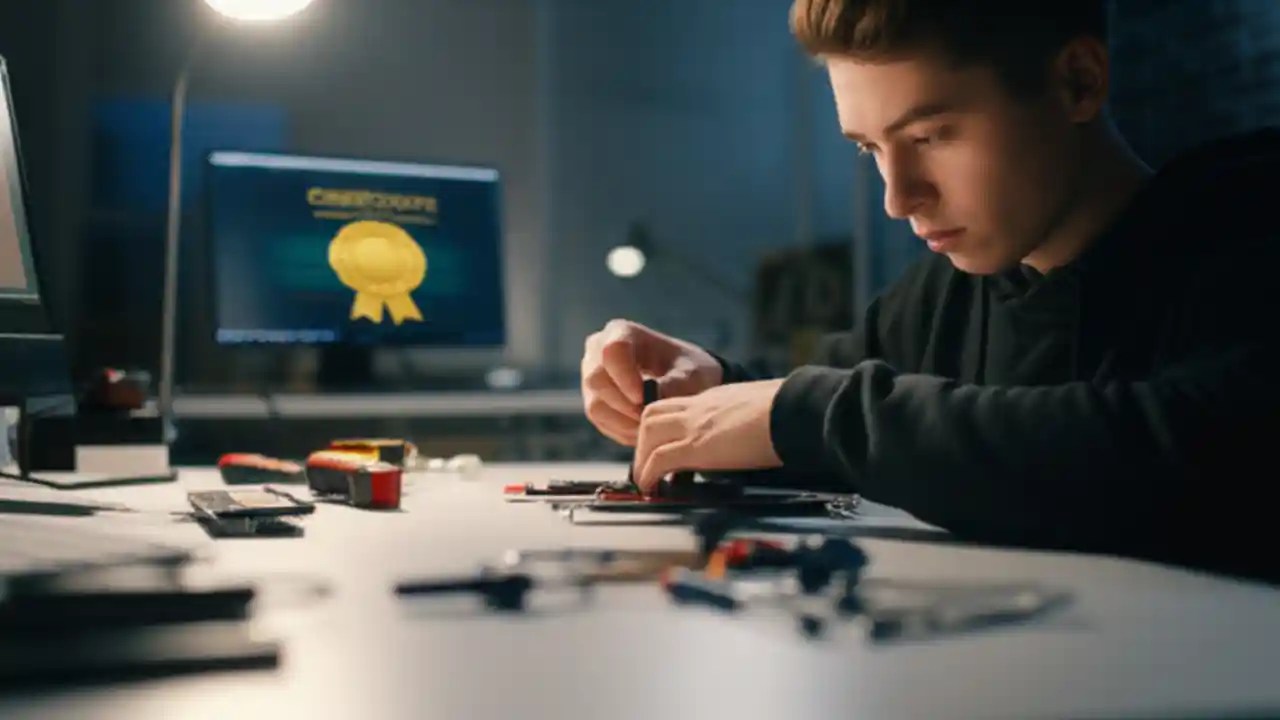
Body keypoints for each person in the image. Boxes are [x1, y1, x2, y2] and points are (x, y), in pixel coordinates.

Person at [579, 0, 1279, 583]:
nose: (897, 197)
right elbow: (830, 421)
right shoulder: (942, 295)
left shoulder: (1246, 229)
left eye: (931, 134)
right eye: (868, 148)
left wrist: (807, 413)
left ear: (1077, 82)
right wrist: (705, 390)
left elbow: (1181, 454)